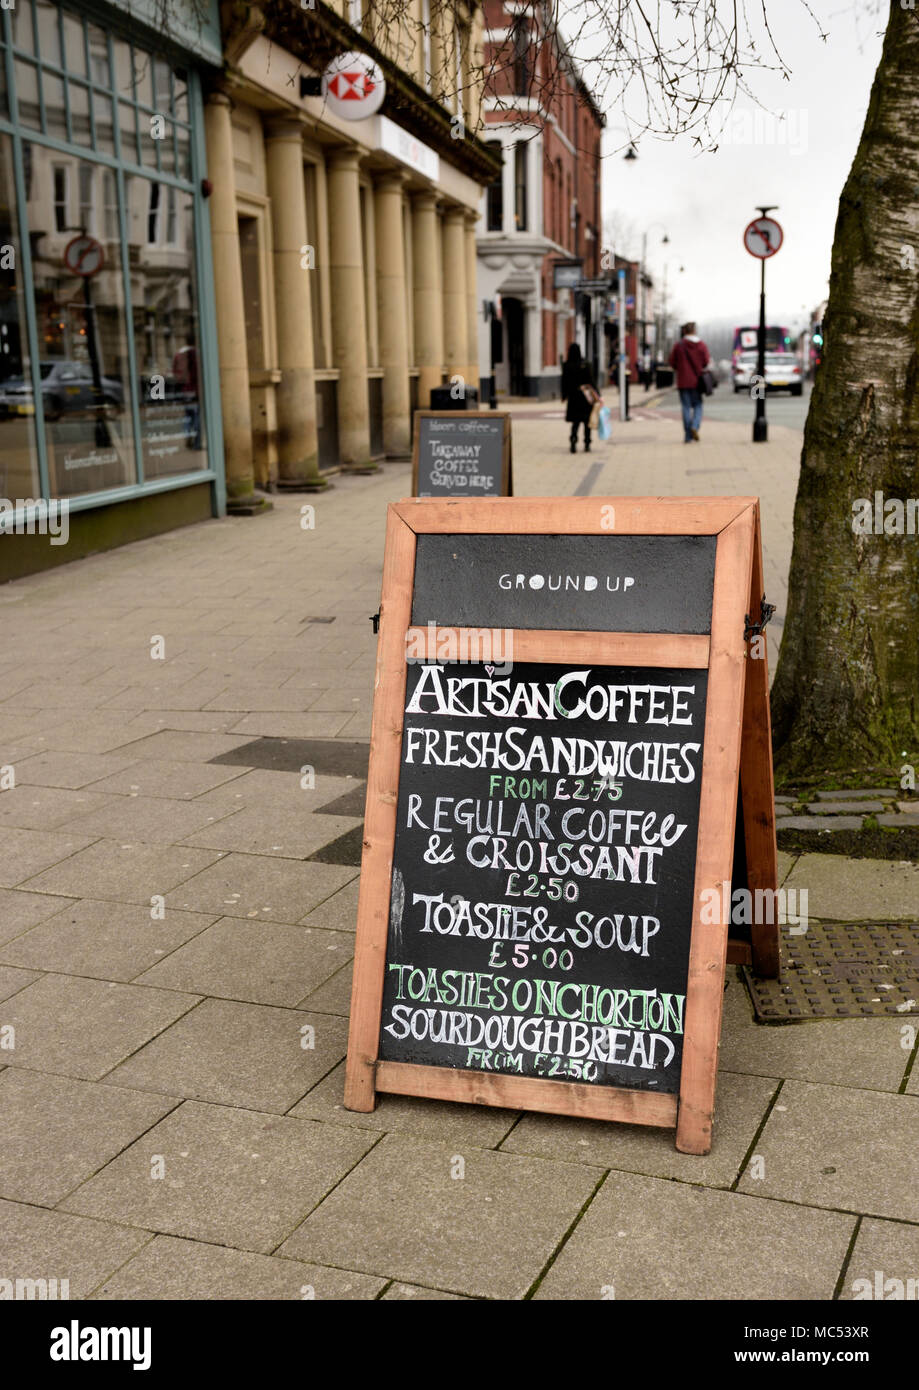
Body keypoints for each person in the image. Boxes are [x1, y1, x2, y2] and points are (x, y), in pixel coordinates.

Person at [669, 321, 712, 442]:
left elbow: (672, 362)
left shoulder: (679, 345)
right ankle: (694, 426)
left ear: (684, 331)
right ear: (695, 331)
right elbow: (706, 362)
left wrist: (681, 368)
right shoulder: (701, 345)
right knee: (698, 405)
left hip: (683, 381)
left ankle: (688, 436)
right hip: (697, 381)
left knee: (686, 407)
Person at [561, 342, 598, 453]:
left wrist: (564, 395)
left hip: (573, 397)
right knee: (587, 422)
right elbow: (591, 382)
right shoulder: (586, 364)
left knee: (575, 422)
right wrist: (597, 395)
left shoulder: (567, 365)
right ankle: (587, 443)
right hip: (585, 398)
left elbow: (564, 382)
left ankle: (573, 440)